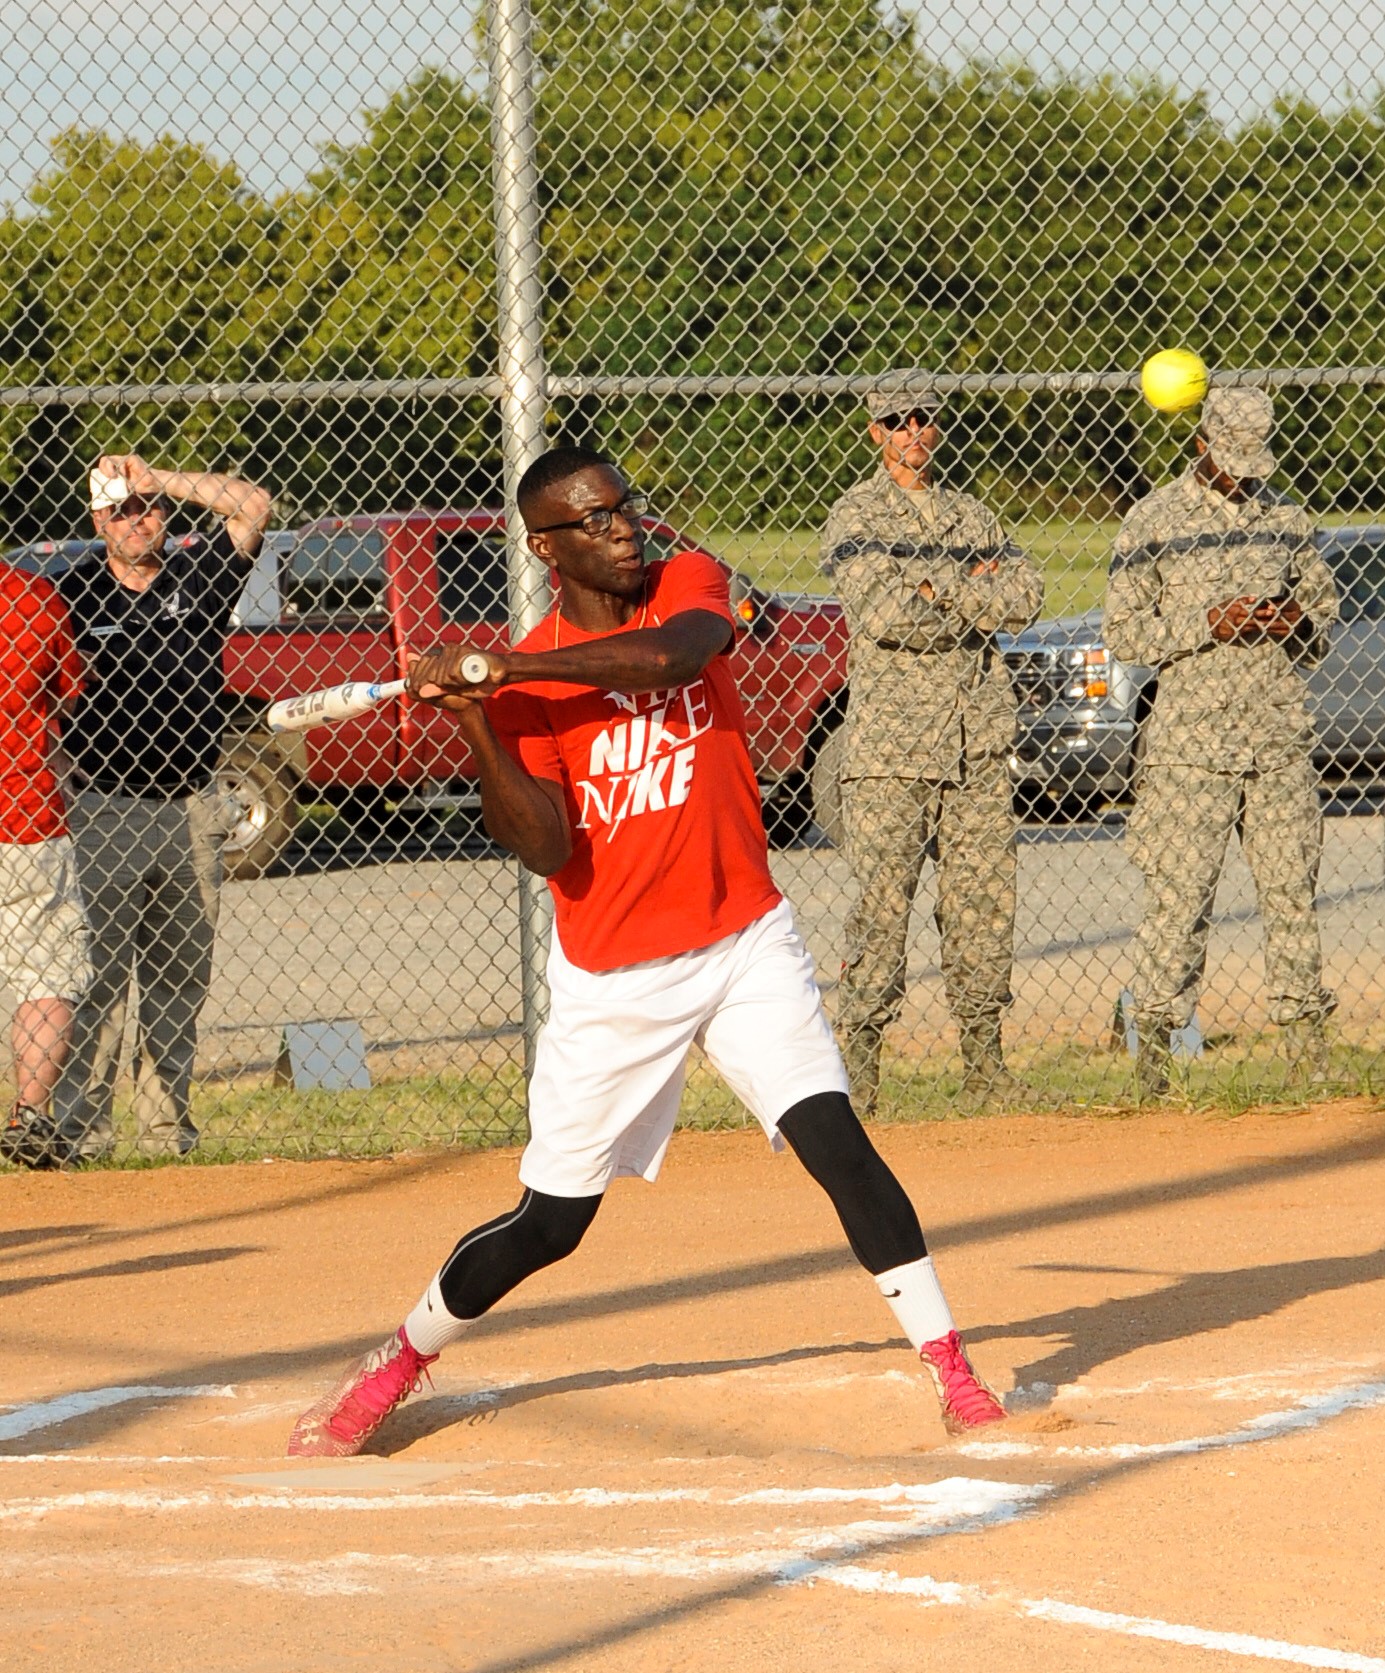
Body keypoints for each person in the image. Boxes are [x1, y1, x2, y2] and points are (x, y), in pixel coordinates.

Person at [287, 445, 1006, 1458]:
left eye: (622, 507)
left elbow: (678, 655)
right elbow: (544, 845)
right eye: (594, 520)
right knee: (550, 1224)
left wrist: (510, 665)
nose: (623, 528)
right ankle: (403, 1357)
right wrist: (481, 723)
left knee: (835, 1143)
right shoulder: (525, 693)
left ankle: (951, 1368)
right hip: (614, 978)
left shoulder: (682, 582)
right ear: (546, 547)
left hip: (743, 937)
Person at [1104, 387, 1340, 1095]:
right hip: (1189, 746)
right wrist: (1210, 621)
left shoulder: (1284, 519)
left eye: (1253, 463)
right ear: (1201, 443)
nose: (1243, 476)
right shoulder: (1153, 521)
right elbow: (1124, 633)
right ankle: (1154, 1056)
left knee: (1290, 895)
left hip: (1274, 739)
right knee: (1179, 901)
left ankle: (1307, 1046)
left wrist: (1293, 622)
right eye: (1231, 460)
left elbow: (1322, 622)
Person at [820, 372, 1044, 1114]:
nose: (912, 431)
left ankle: (984, 1065)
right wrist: (968, 595)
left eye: (923, 417)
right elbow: (884, 616)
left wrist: (935, 591)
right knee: (881, 912)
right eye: (896, 420)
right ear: (872, 430)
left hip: (975, 743)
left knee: (983, 907)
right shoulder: (855, 515)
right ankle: (860, 1076)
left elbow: (1025, 595)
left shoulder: (970, 513)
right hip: (892, 751)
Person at [51, 454, 271, 1158]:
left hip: (194, 802)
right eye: (120, 510)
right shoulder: (72, 592)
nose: (136, 520)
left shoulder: (196, 575)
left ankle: (166, 1130)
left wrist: (159, 476)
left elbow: (253, 506)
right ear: (97, 521)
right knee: (100, 979)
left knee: (180, 974)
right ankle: (82, 1130)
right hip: (105, 806)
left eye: (146, 507)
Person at [0, 557, 92, 1168]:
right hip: (26, 814)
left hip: (30, 814)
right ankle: (28, 1116)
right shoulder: (30, 595)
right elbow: (67, 691)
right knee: (46, 972)